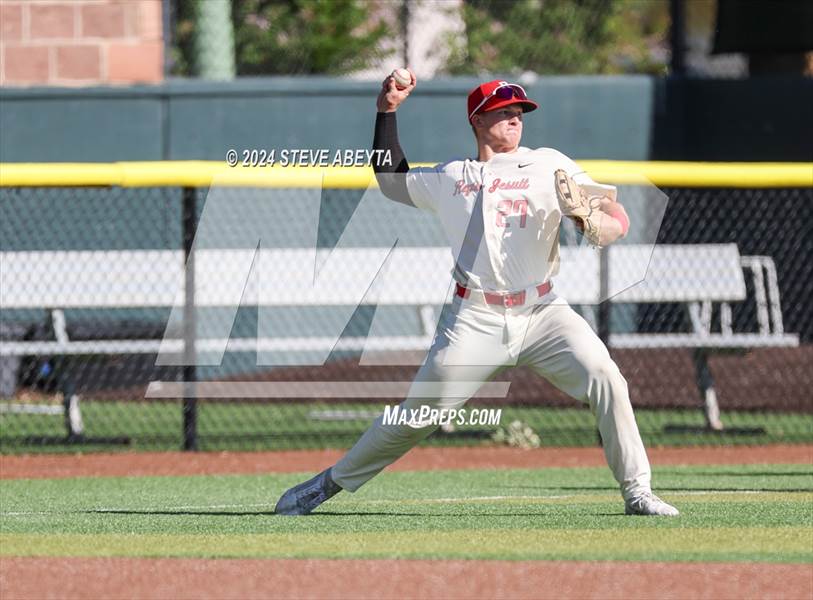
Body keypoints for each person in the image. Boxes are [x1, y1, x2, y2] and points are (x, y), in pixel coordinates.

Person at [275, 72, 679, 517]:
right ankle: (327, 484)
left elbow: (609, 210)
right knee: (413, 418)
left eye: (519, 111)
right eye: (503, 111)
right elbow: (391, 180)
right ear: (477, 119)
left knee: (606, 377)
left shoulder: (547, 163)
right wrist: (386, 113)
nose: (514, 118)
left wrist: (603, 224)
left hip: (543, 311)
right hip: (474, 318)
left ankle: (638, 491)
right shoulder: (453, 176)